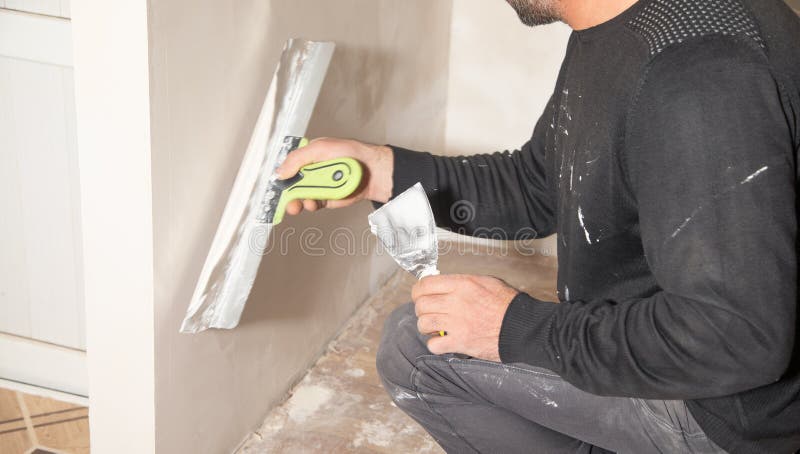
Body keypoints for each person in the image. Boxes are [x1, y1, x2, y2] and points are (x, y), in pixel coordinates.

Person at [277, 0, 800, 452]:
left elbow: (735, 338)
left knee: (417, 350)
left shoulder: (700, 78)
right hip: (682, 357)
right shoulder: (623, 25)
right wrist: (377, 171)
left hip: (725, 415)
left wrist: (516, 330)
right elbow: (538, 185)